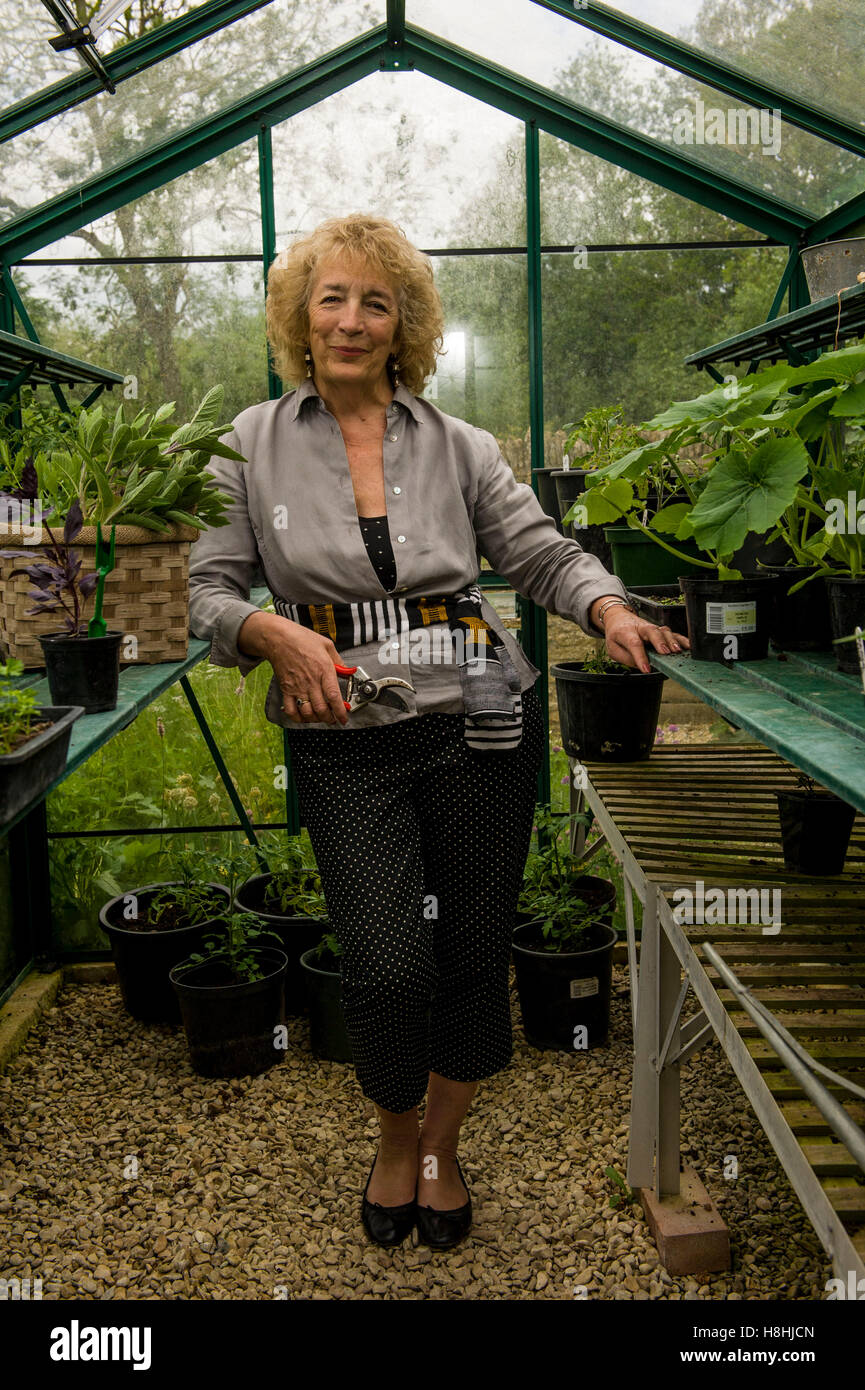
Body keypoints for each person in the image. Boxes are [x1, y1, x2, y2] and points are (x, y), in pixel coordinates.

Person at [187, 213, 689, 1251]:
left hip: (480, 728)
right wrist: (264, 627)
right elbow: (205, 589)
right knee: (384, 963)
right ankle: (391, 1135)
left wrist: (606, 608)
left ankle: (439, 1151)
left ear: (405, 324)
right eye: (333, 297)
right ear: (301, 313)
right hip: (343, 737)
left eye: (378, 302)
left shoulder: (459, 445)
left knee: (467, 953)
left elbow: (540, 551)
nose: (353, 319)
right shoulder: (250, 442)